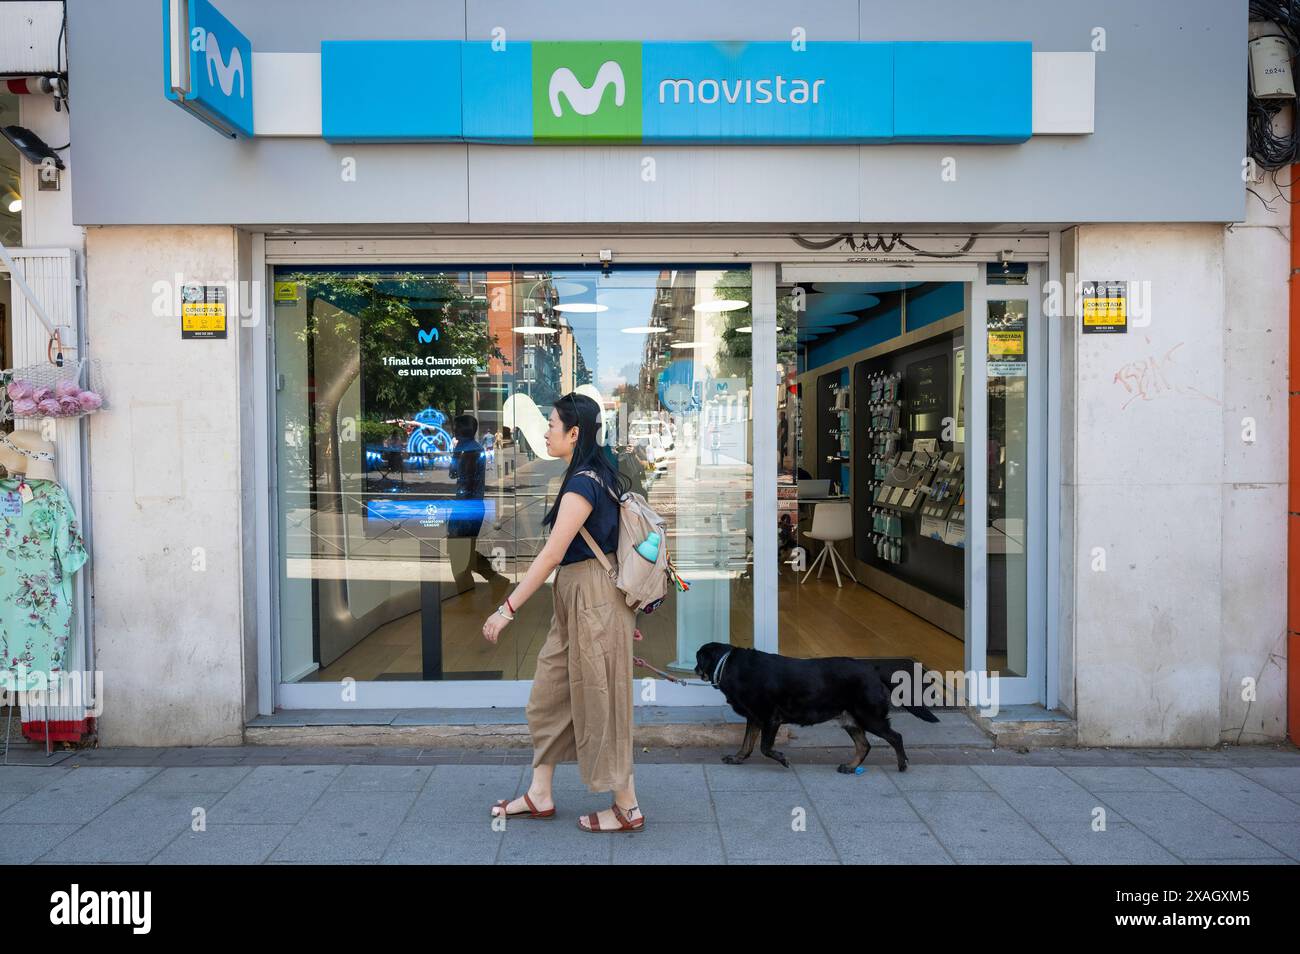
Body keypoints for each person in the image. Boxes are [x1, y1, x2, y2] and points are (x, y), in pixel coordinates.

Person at [482, 392, 645, 832]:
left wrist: (507, 608)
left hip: (592, 597)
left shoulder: (584, 483)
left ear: (575, 434)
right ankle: (540, 793)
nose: (545, 432)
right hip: (584, 601)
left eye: (551, 425)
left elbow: (551, 556)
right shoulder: (592, 474)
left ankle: (626, 808)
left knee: (601, 700)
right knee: (550, 695)